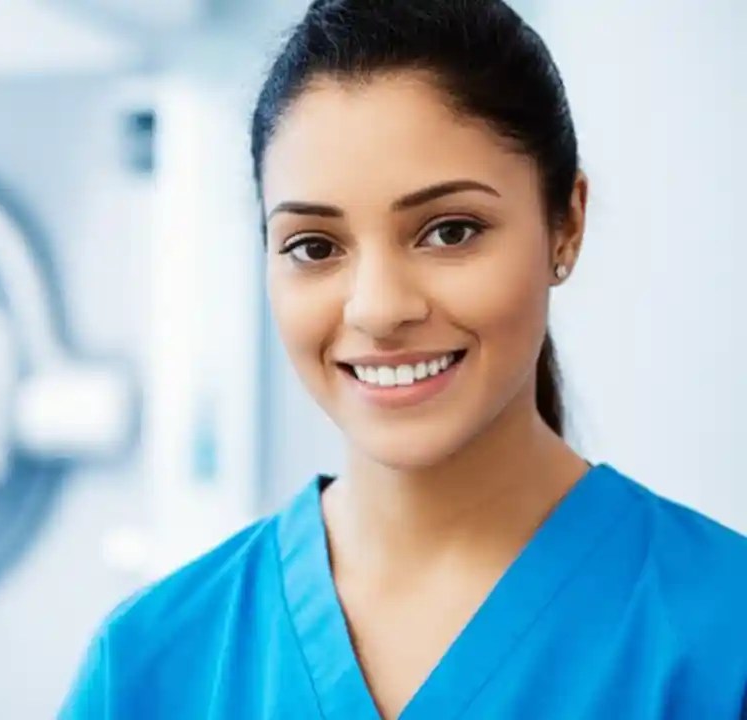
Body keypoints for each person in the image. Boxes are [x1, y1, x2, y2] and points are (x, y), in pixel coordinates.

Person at [59, 0, 747, 717]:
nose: (378, 309)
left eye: (450, 231)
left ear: (565, 225)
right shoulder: (149, 665)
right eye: (314, 247)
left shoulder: (726, 641)